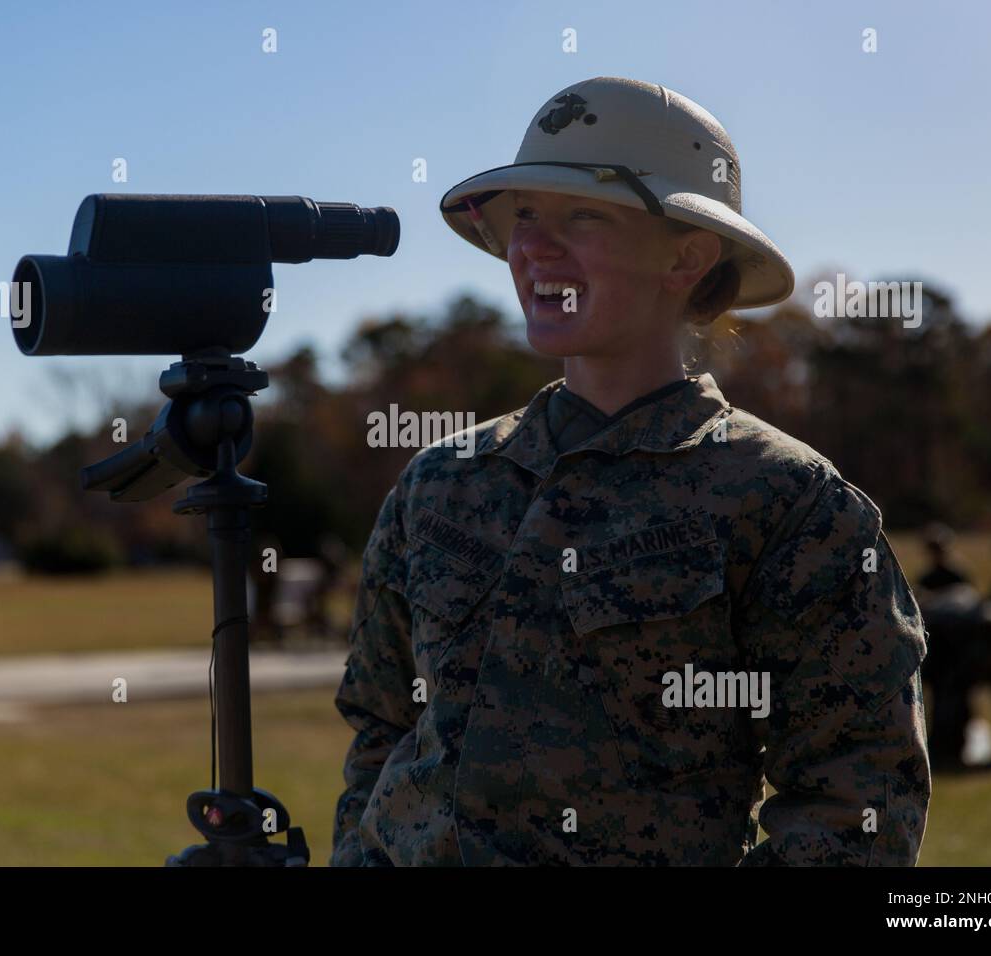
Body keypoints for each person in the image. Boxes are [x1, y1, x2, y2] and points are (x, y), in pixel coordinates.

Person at [330, 77, 930, 866]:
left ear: (686, 254)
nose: (534, 248)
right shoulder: (441, 481)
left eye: (583, 215)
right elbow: (382, 726)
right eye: (524, 219)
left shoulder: (787, 502)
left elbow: (858, 793)